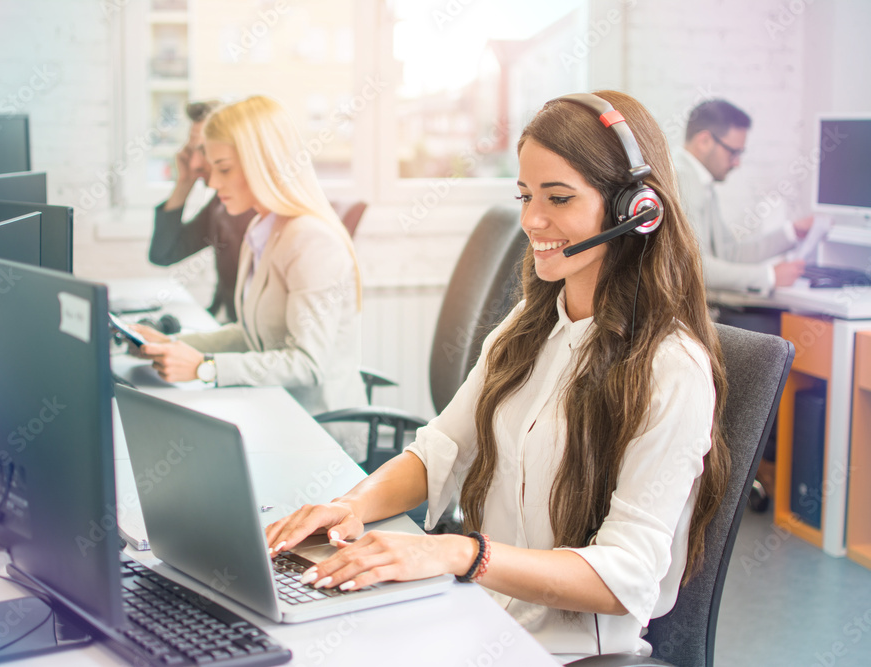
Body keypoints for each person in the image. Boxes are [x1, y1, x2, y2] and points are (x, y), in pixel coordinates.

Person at [264, 91, 731, 659]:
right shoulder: (532, 323)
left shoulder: (670, 369)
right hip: (476, 614)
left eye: (558, 198)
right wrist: (354, 504)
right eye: (525, 195)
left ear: (637, 210)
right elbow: (443, 449)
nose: (532, 221)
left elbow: (626, 575)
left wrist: (463, 554)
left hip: (563, 651)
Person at [132, 95, 368, 462]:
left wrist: (204, 367)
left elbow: (307, 363)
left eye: (223, 168)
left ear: (262, 165)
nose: (211, 181)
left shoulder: (311, 241)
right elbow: (253, 334)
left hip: (321, 433)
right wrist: (176, 343)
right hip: (274, 409)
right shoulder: (262, 227)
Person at [674, 99, 812, 296]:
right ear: (704, 141)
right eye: (733, 152)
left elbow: (728, 252)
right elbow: (695, 267)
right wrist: (768, 277)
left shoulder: (700, 181)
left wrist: (790, 233)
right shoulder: (681, 179)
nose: (737, 163)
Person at [148, 100, 257, 321]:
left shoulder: (258, 211)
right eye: (191, 151)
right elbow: (163, 254)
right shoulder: (220, 204)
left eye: (203, 150)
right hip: (225, 326)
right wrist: (183, 183)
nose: (195, 163)